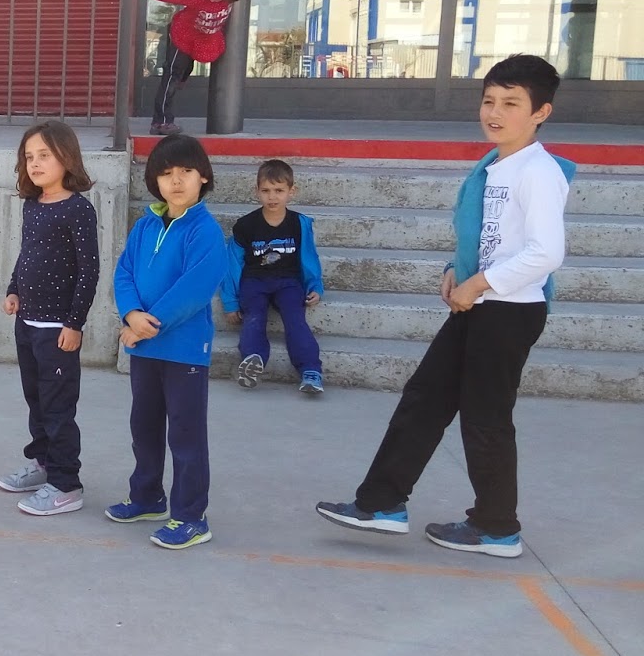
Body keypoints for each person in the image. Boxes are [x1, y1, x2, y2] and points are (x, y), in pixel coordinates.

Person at [316, 55, 574, 559]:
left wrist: (479, 283)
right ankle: (382, 503)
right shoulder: (499, 163)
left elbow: (547, 252)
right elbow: (492, 235)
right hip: (482, 302)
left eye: (511, 104)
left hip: (508, 311)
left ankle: (497, 528)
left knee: (485, 417)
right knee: (425, 399)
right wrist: (459, 270)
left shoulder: (538, 171)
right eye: (489, 100)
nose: (495, 112)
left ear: (541, 112)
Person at [108, 133, 228, 549]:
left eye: (186, 172)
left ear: (204, 178)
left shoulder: (206, 231)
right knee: (143, 425)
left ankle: (191, 516)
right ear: (154, 181)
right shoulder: (144, 226)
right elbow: (123, 273)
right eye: (166, 173)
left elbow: (194, 288)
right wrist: (129, 314)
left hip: (183, 351)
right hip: (145, 349)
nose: (176, 181)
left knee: (185, 433)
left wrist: (146, 322)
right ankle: (146, 497)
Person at [0, 121, 100, 517]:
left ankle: (66, 484)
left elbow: (88, 270)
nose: (35, 163)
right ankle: (43, 464)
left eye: (45, 155)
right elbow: (27, 254)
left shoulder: (78, 210)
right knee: (36, 400)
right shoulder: (33, 206)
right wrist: (13, 289)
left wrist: (75, 324)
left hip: (59, 329)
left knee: (58, 408)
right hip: (28, 323)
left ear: (67, 158)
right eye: (29, 156)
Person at [221, 158, 327, 394]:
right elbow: (232, 264)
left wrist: (315, 286)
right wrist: (230, 301)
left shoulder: (299, 224)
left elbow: (309, 258)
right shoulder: (245, 226)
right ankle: (252, 360)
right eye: (266, 191)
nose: (272, 197)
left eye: (279, 191)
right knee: (254, 317)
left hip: (288, 282)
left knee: (295, 318)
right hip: (254, 281)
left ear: (291, 191)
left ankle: (310, 369)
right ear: (256, 192)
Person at [134, 0, 241, 136]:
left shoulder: (228, 1)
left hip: (197, 42)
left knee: (183, 73)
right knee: (171, 78)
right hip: (180, 39)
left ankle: (178, 81)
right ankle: (161, 122)